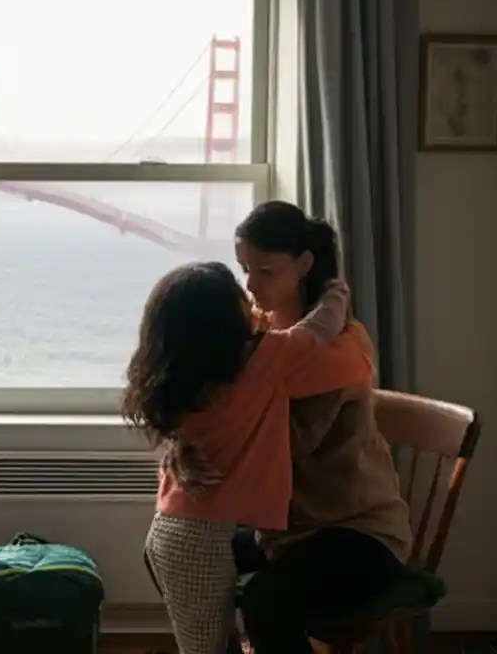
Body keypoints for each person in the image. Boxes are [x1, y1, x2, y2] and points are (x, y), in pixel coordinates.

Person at [171, 201, 412, 654]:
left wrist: (213, 441)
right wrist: (183, 447)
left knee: (266, 601)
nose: (250, 285)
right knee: (182, 550)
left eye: (265, 271)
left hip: (358, 532)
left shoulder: (336, 350)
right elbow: (216, 406)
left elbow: (275, 441)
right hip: (288, 530)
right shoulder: (263, 334)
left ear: (304, 265)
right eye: (244, 270)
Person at [124, 257, 373, 654]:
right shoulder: (260, 362)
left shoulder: (191, 375)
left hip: (172, 533)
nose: (252, 298)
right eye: (242, 293)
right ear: (225, 320)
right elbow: (319, 329)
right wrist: (336, 290)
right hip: (200, 541)